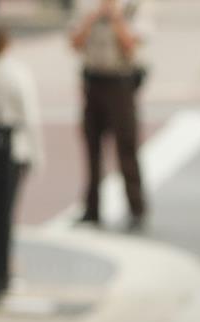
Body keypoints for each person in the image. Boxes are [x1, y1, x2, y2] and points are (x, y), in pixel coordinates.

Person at [70, 0, 149, 231]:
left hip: (120, 82)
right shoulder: (86, 7)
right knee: (91, 146)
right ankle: (92, 208)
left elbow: (131, 46)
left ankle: (136, 207)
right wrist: (92, 17)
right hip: (93, 80)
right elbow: (75, 43)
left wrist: (115, 18)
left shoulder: (133, 7)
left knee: (126, 146)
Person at [0, 22, 45, 228]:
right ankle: (4, 252)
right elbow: (30, 114)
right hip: (15, 146)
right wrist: (38, 153)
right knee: (7, 204)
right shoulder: (16, 72)